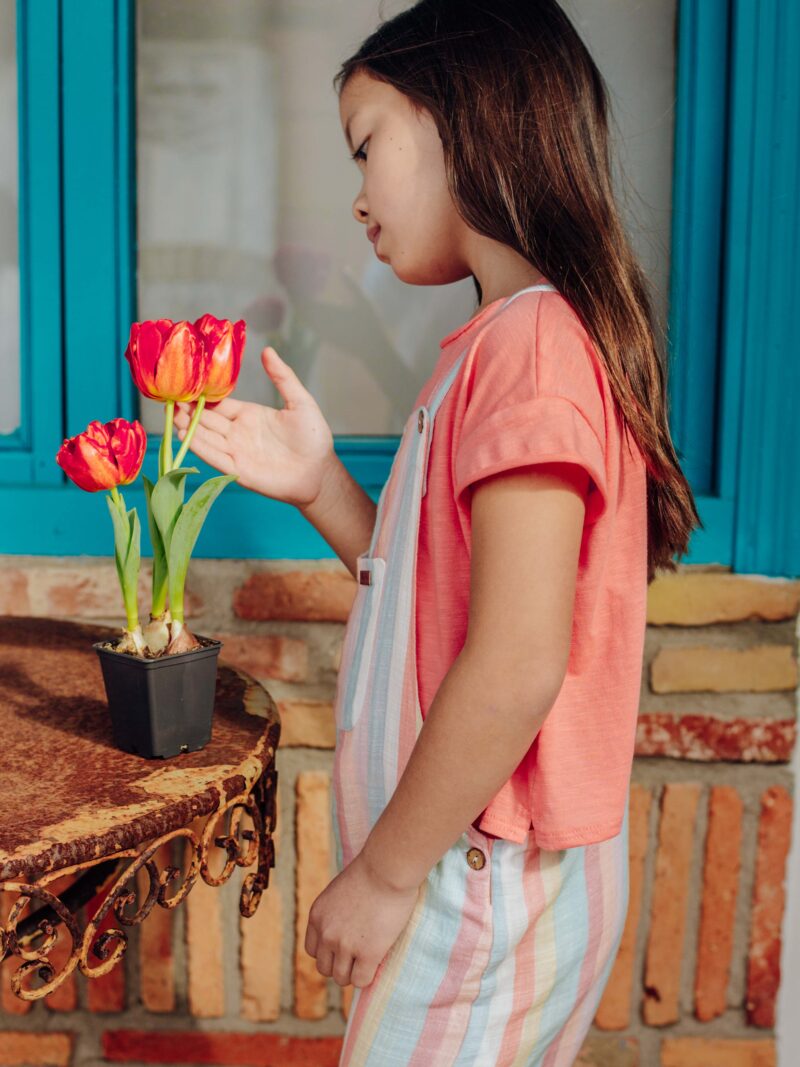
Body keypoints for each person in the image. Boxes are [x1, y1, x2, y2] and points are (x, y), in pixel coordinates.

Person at [174, 1, 701, 1061]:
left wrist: (381, 873)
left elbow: (512, 663)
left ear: (466, 120)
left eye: (367, 147)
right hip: (481, 865)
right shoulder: (501, 344)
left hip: (475, 873)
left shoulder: (529, 348)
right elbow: (443, 596)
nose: (358, 198)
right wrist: (323, 485)